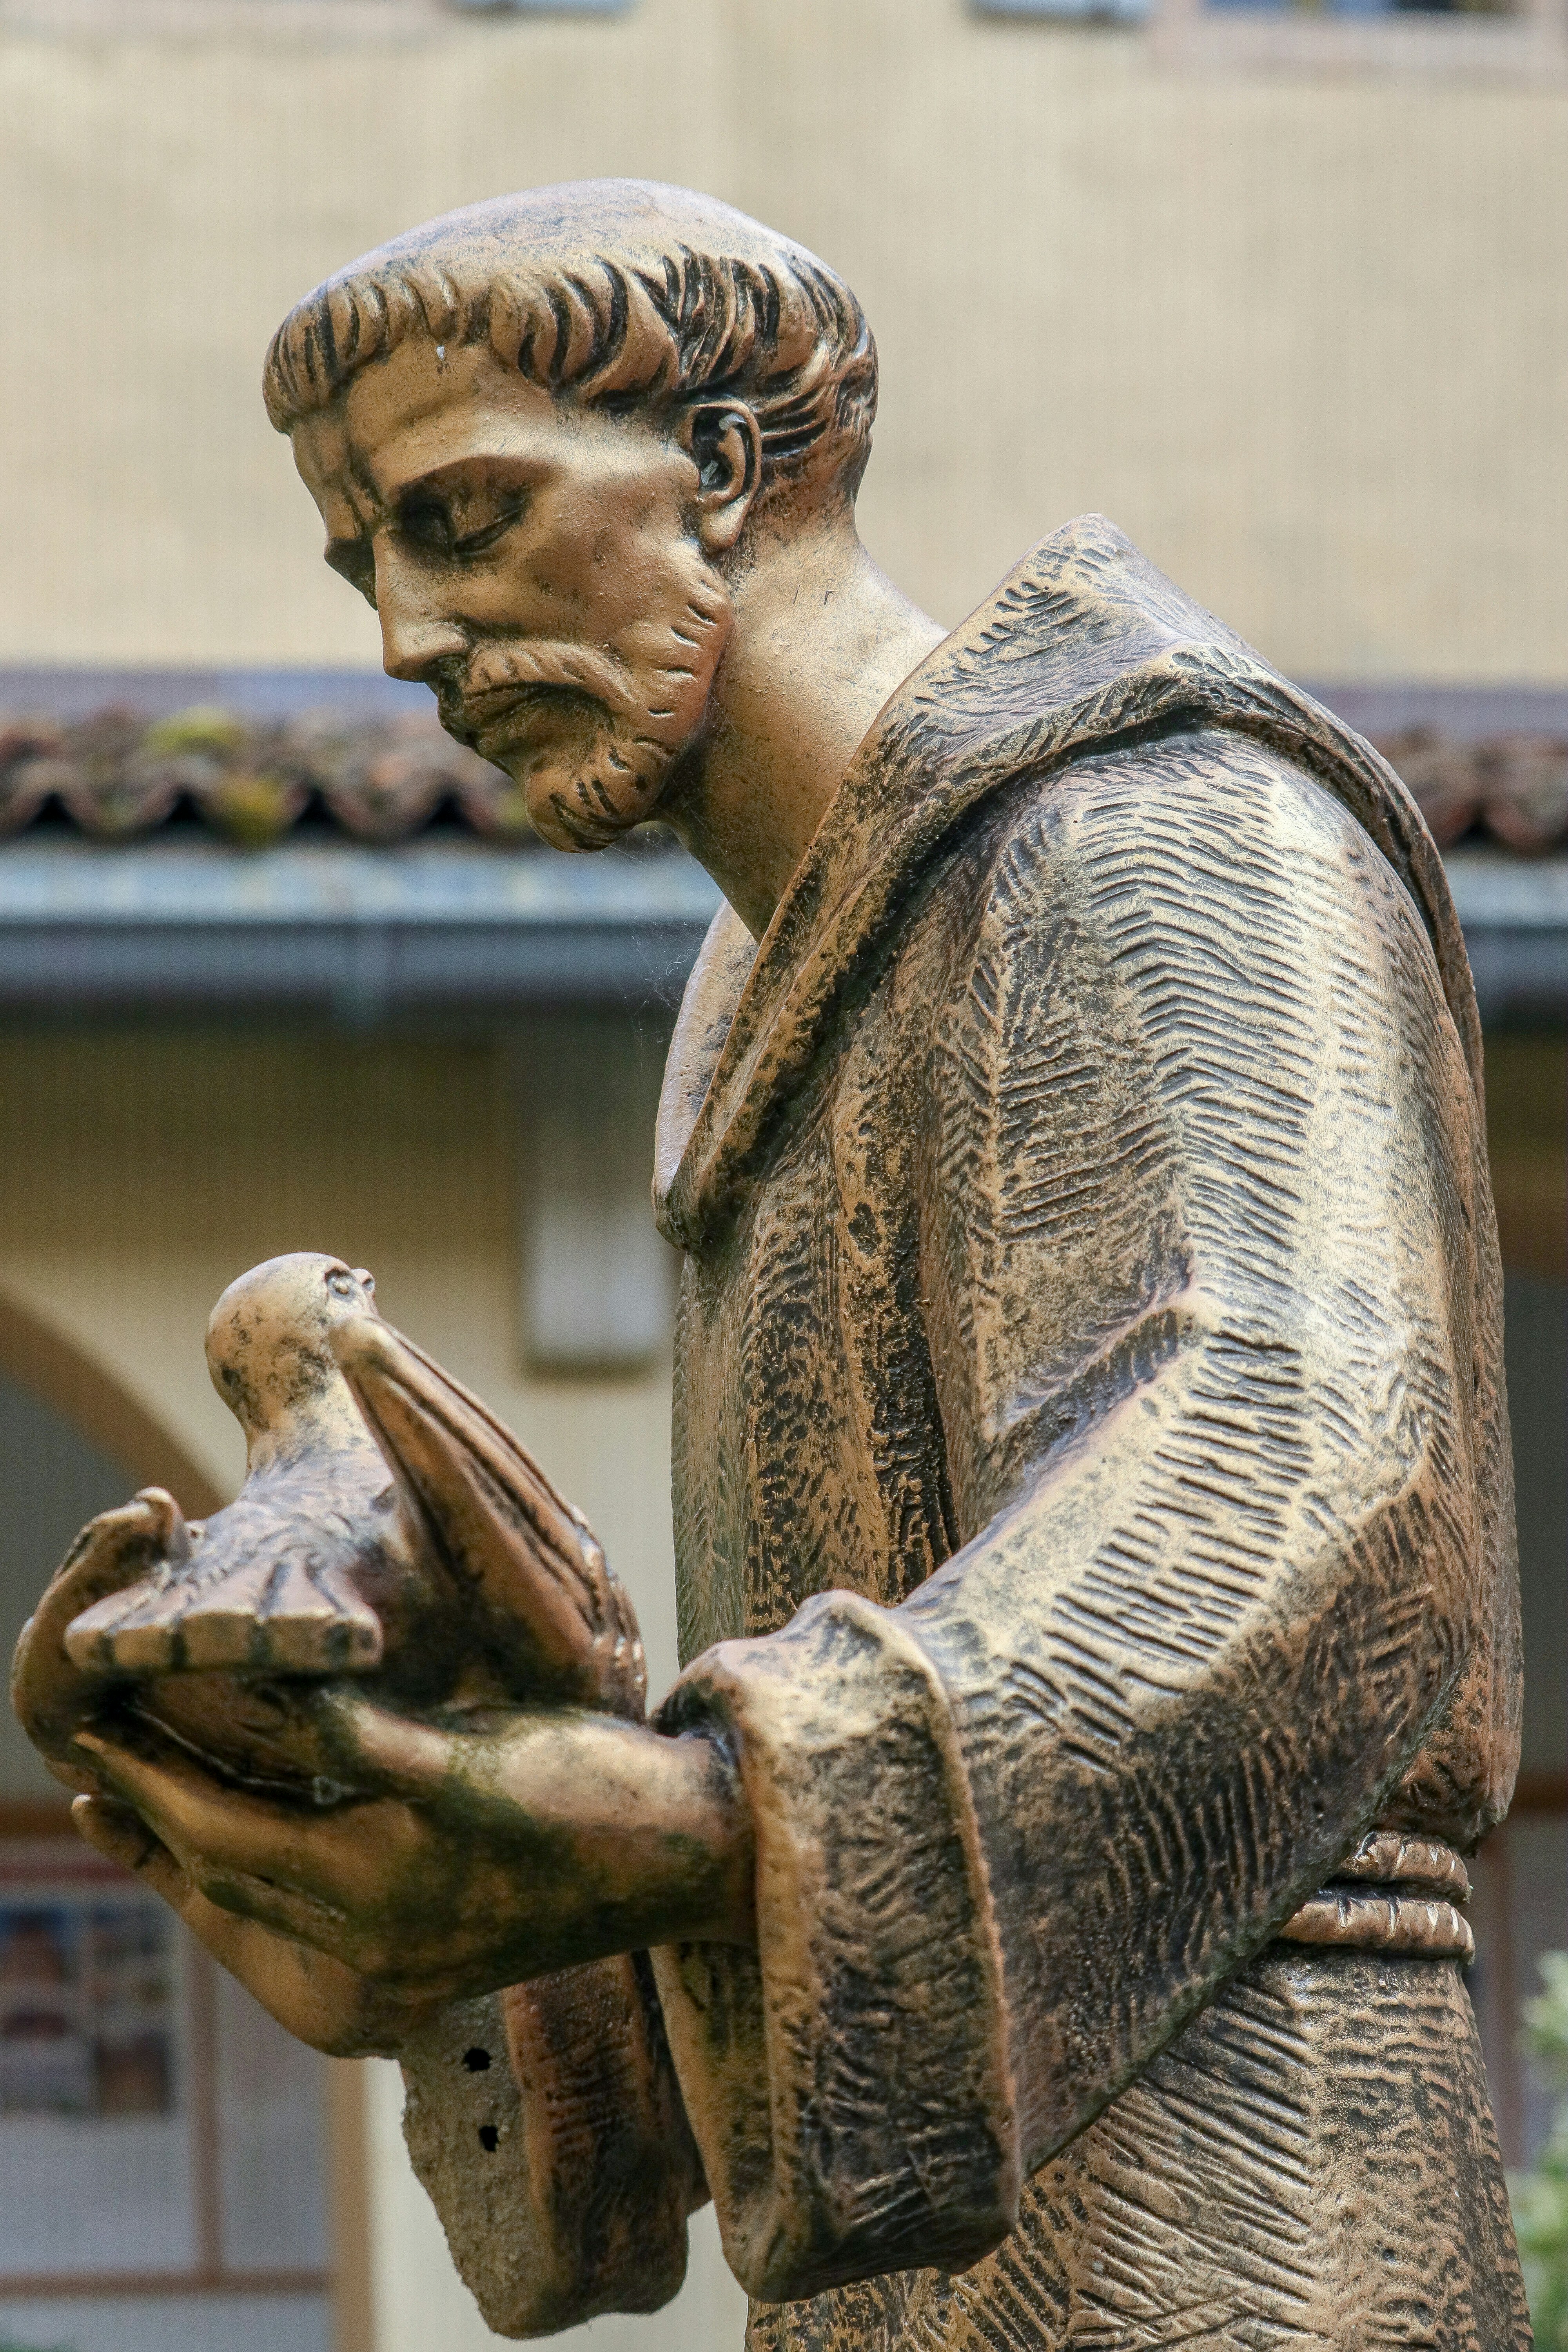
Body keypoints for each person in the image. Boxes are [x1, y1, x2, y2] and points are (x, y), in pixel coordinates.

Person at [14, 182, 1528, 2348]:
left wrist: (696, 1803)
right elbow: (812, 1892)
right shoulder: (774, 993)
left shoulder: (1159, 827)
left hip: (1244, 2241)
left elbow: (1301, 1469)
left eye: (464, 517)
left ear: (730, 470)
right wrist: (451, 1874)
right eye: (365, 564)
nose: (404, 640)